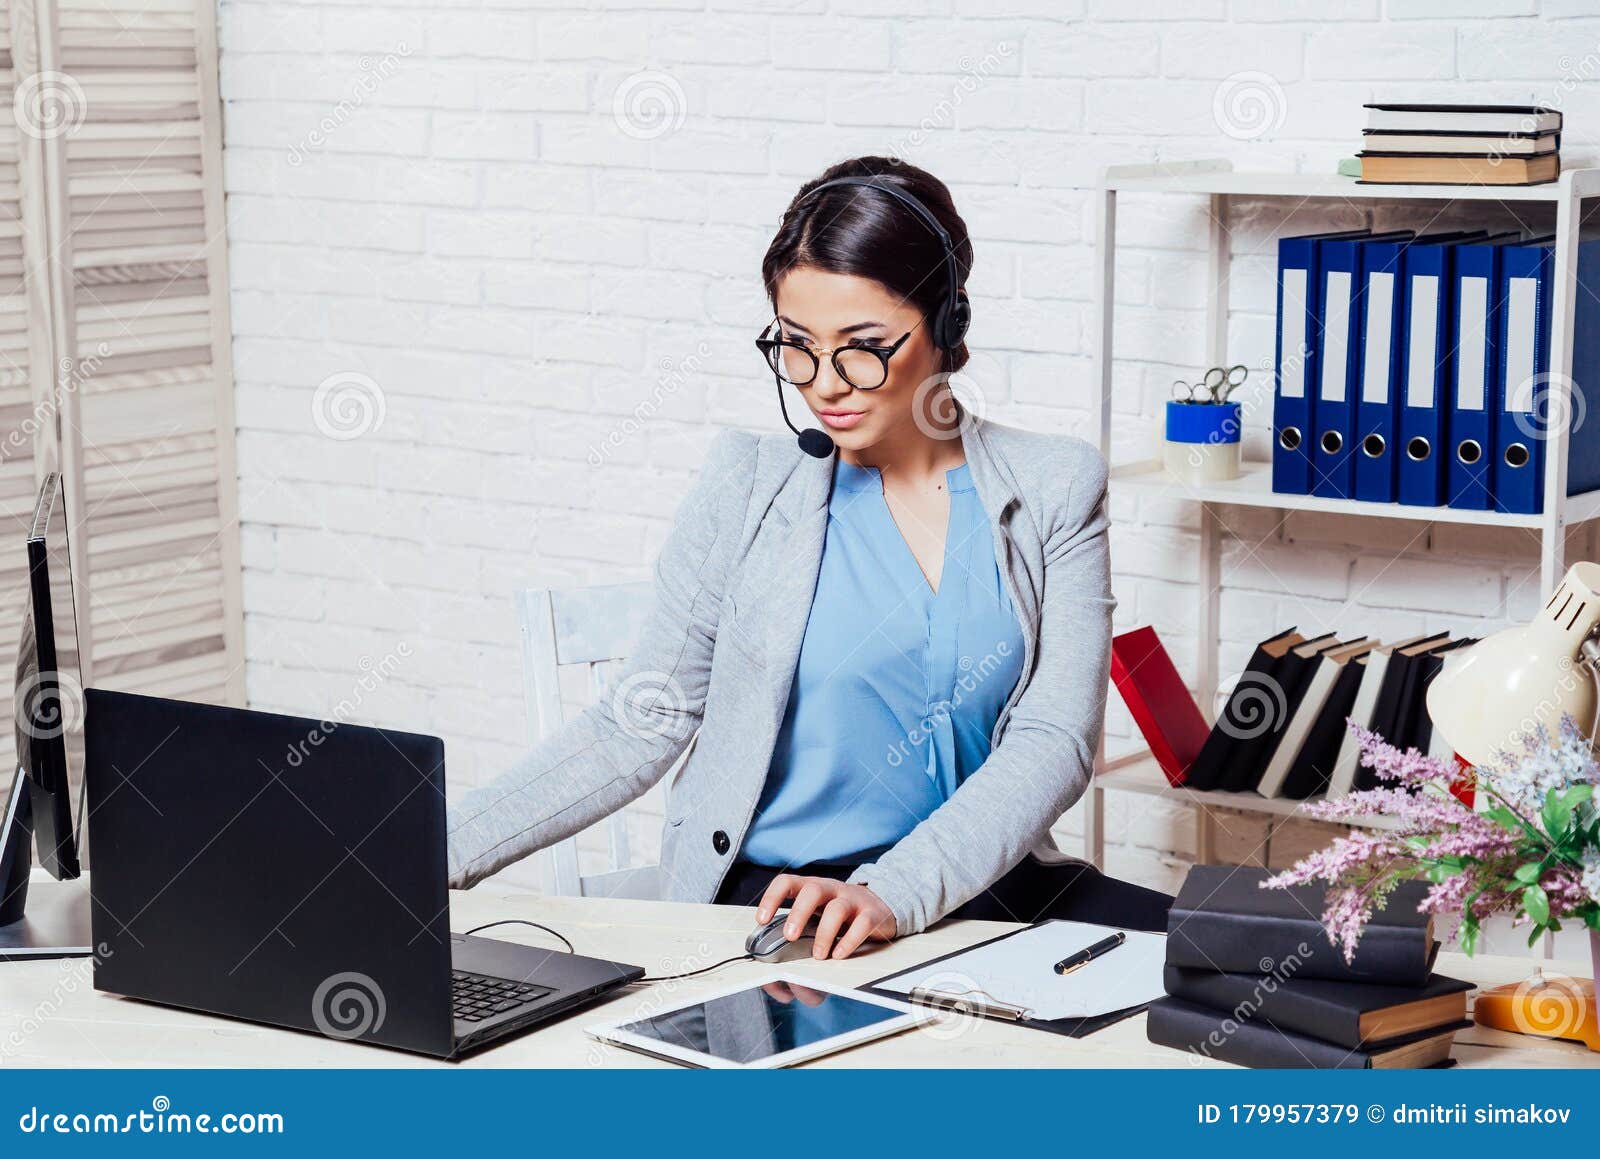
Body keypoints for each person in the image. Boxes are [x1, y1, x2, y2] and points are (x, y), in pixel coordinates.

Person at [447, 155, 1172, 960]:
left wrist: (896, 889)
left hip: (978, 883)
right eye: (797, 345)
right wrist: (436, 849)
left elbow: (1054, 737)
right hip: (784, 900)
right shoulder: (746, 486)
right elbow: (636, 723)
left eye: (862, 347)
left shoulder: (1054, 486)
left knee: (1261, 972)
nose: (823, 384)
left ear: (947, 325)